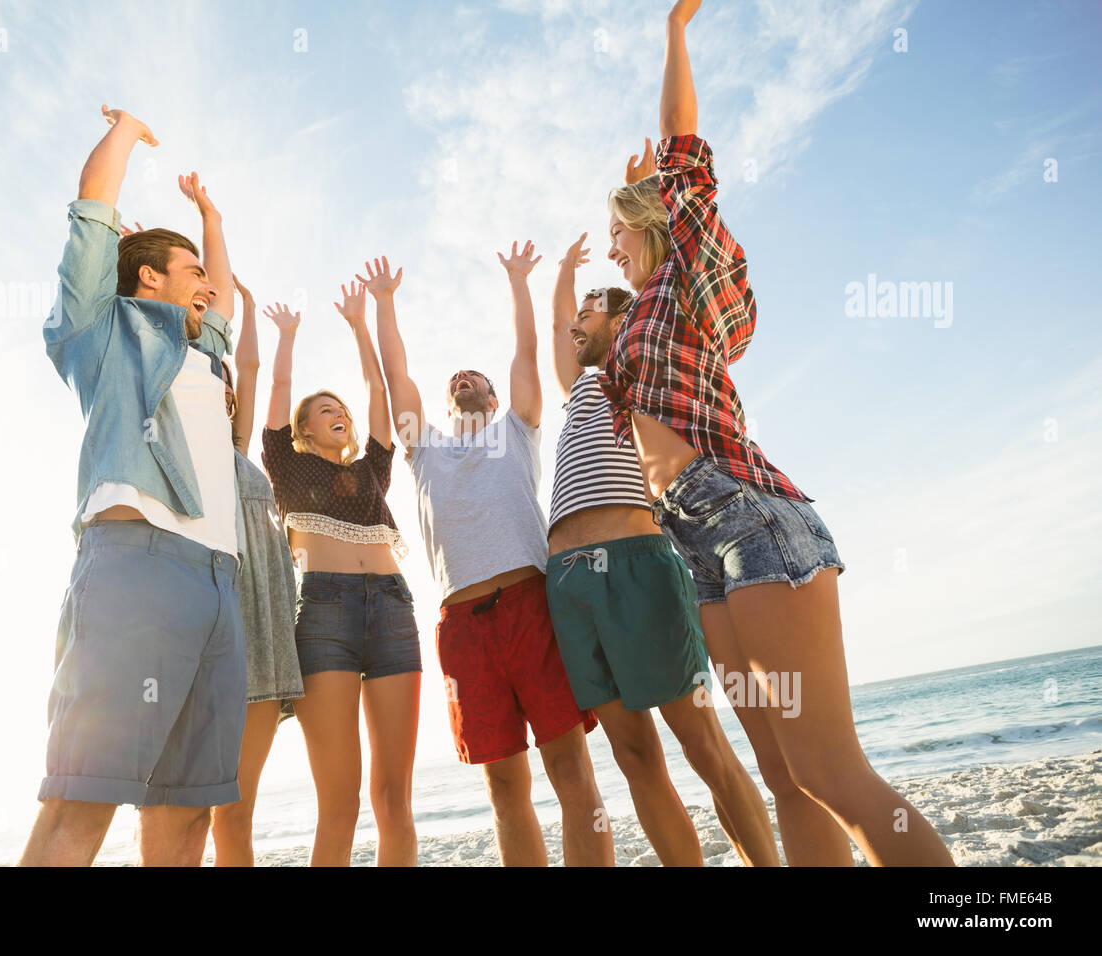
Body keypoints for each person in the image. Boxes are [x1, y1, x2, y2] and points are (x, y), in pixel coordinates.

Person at [599, 0, 954, 865]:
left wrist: (674, 33)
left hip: (748, 520)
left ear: (653, 228)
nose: (610, 250)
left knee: (830, 768)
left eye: (617, 233)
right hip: (696, 545)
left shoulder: (688, 278)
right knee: (782, 774)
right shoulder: (638, 324)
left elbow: (684, 154)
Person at [21, 106, 246, 866]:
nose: (207, 288)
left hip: (222, 582)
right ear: (149, 276)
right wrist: (126, 131)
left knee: (188, 817)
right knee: (82, 804)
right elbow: (92, 215)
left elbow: (231, 300)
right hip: (137, 561)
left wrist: (209, 219)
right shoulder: (103, 332)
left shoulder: (205, 354)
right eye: (192, 274)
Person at [366, 249, 614, 867]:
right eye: (455, 379)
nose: (462, 378)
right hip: (464, 628)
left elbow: (527, 351)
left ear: (494, 394)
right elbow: (397, 375)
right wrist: (385, 303)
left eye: (473, 375)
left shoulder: (517, 427)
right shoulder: (423, 447)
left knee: (570, 770)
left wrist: (517, 282)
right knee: (505, 788)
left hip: (533, 609)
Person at [547, 234, 780, 866]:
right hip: (567, 583)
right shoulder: (578, 390)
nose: (577, 322)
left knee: (703, 745)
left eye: (591, 309)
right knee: (634, 757)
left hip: (638, 566)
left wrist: (643, 219)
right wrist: (565, 273)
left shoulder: (643, 365)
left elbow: (664, 283)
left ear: (625, 318)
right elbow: (558, 327)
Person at [260, 282, 421, 867]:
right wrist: (287, 336)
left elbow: (378, 389)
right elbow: (278, 391)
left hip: (393, 609)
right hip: (324, 615)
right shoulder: (285, 463)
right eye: (325, 409)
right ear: (303, 429)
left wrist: (360, 322)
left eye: (341, 410)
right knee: (341, 803)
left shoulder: (374, 467)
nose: (340, 414)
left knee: (394, 802)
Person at [208, 275, 305, 866]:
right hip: (219, 633)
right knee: (205, 808)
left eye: (223, 384)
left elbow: (247, 365)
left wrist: (244, 304)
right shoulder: (180, 449)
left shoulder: (237, 447)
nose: (221, 387)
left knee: (238, 808)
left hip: (268, 638)